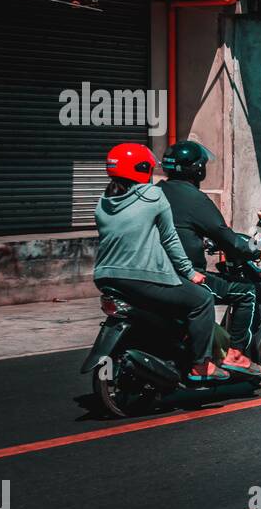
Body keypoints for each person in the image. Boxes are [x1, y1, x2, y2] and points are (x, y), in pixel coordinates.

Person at [93, 143, 225, 382]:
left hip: (105, 277)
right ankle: (200, 365)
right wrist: (190, 272)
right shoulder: (154, 195)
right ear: (142, 168)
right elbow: (170, 239)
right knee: (202, 300)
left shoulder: (103, 201)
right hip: (142, 276)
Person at [159, 141, 261, 378]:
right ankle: (235, 353)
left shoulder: (156, 192)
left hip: (153, 273)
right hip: (186, 276)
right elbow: (228, 239)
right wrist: (257, 251)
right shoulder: (195, 200)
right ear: (198, 170)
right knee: (246, 292)